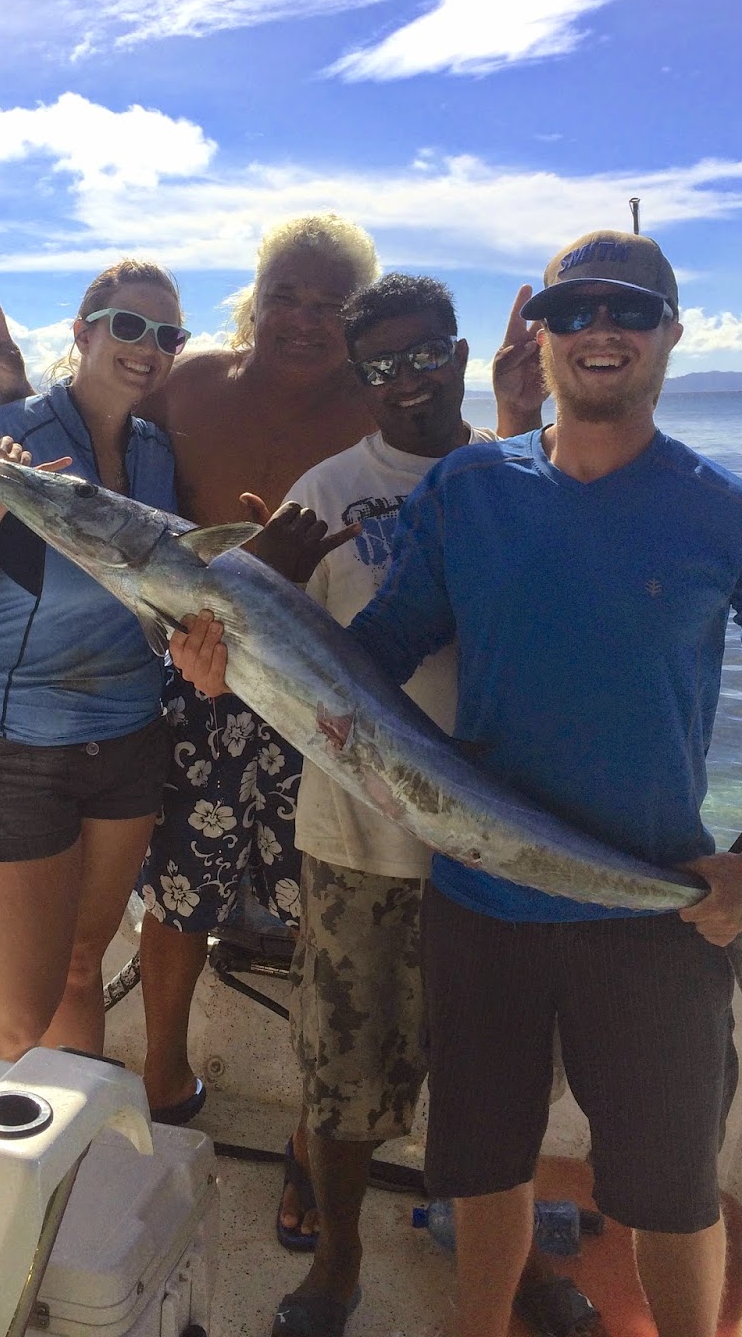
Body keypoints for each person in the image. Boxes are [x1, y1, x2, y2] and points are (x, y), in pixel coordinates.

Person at [171, 229, 742, 1337]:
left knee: (671, 1191)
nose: (601, 331)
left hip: (654, 909)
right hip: (479, 904)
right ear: (541, 333)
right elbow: (372, 659)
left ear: (673, 333)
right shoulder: (473, 489)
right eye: (575, 309)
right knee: (482, 1165)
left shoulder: (739, 522)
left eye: (630, 310)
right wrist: (231, 653)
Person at [0, 215, 543, 1244]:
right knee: (181, 888)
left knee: (325, 907)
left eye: (329, 303)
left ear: (359, 330)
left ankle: (316, 1144)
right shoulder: (193, 384)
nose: (305, 318)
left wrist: (512, 409)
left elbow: (458, 471)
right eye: (287, 295)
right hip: (202, 677)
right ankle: (165, 1069)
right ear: (254, 302)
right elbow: (94, 447)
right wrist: (10, 399)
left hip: (327, 693)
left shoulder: (379, 394)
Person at [269, 273, 496, 1337]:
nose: (406, 381)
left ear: (457, 354)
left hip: (495, 839)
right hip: (355, 833)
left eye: (423, 355)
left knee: (496, 1067)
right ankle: (341, 1263)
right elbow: (270, 650)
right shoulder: (322, 489)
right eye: (380, 365)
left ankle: (491, 1240)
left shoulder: (518, 473)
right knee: (342, 1074)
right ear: (359, 379)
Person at [0, 259, 188, 1063]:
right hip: (7, 747)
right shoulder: (4, 443)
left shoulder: (159, 456)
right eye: (129, 326)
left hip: (128, 740)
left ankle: (62, 1175)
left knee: (77, 973)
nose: (148, 346)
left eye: (167, 334)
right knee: (17, 1014)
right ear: (83, 332)